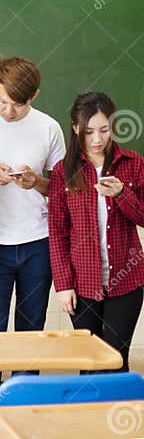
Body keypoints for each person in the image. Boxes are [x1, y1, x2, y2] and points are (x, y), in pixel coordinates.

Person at [0, 57, 66, 405]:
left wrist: (37, 182)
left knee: (31, 325)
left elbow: (63, 189)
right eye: (2, 101)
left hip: (37, 243)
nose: (7, 111)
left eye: (18, 106)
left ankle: (22, 397)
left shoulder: (49, 128)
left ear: (34, 95)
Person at [49, 92, 144, 372]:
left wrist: (122, 194)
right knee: (89, 361)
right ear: (76, 128)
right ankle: (88, 415)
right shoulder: (63, 170)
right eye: (89, 131)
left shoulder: (133, 163)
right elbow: (57, 232)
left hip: (127, 280)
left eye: (104, 130)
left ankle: (116, 414)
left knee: (115, 359)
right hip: (82, 282)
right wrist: (63, 284)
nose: (96, 139)